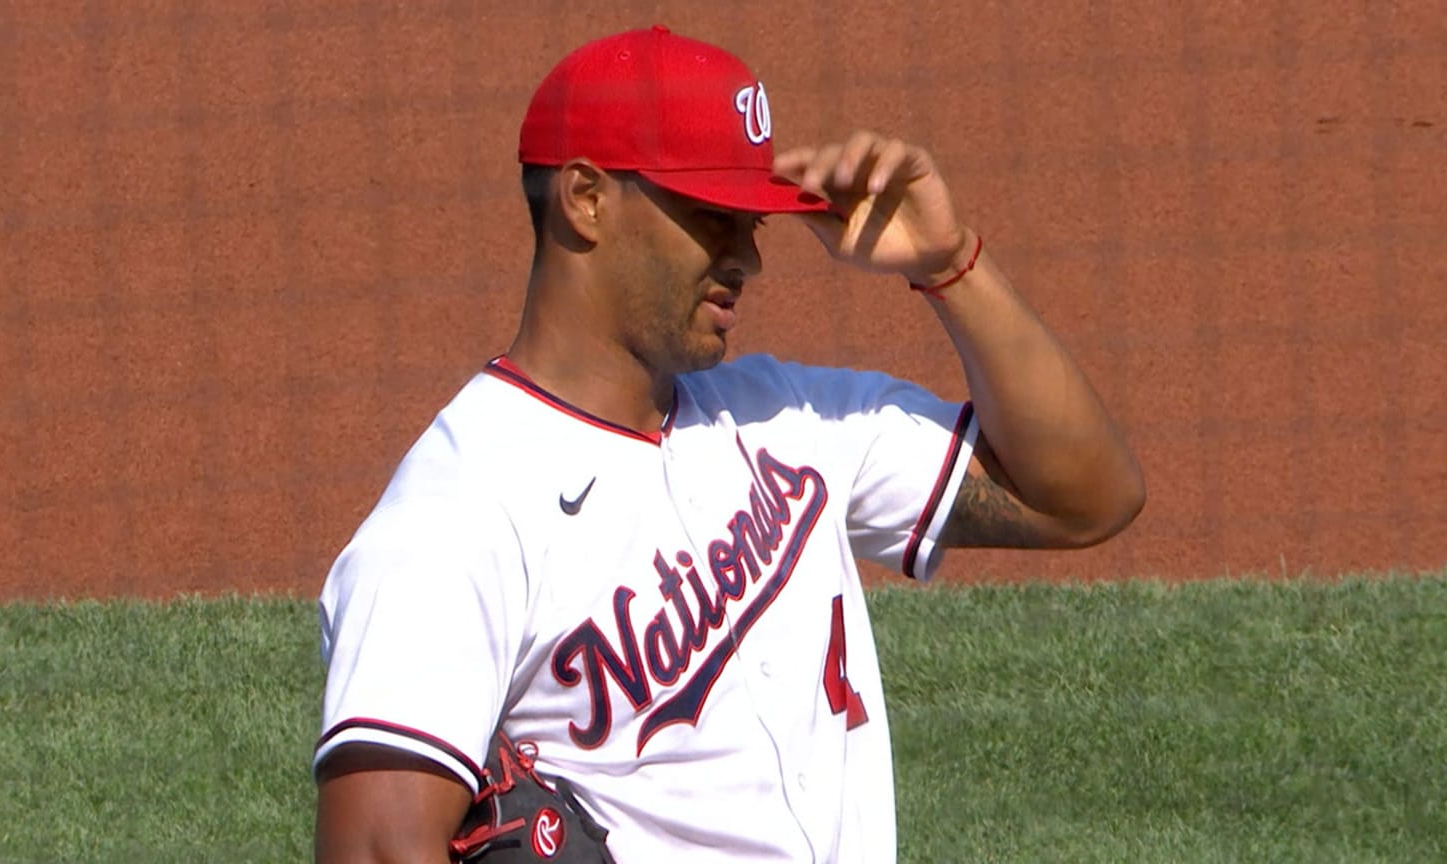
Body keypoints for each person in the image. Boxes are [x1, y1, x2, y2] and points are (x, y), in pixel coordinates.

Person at [311, 25, 1144, 864]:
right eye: (714, 217)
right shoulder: (454, 518)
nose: (748, 257)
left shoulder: (793, 417)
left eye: (752, 222)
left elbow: (1080, 500)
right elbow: (376, 846)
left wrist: (949, 263)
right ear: (586, 198)